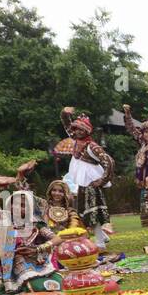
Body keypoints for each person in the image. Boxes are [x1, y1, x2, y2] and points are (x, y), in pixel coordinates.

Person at [59, 107, 116, 249]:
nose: (77, 131)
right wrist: (65, 113)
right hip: (79, 182)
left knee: (92, 212)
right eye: (76, 129)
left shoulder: (93, 146)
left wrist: (102, 180)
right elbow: (67, 125)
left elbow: (109, 162)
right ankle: (102, 237)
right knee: (82, 212)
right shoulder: (76, 139)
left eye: (81, 129)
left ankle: (100, 243)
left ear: (87, 131)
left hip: (90, 183)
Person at [0, 190, 63, 294]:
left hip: (39, 260)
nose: (17, 208)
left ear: (30, 208)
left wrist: (39, 248)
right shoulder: (5, 223)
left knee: (59, 281)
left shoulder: (36, 224)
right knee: (36, 286)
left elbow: (58, 238)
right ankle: (14, 283)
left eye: (23, 205)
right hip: (18, 261)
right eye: (14, 204)